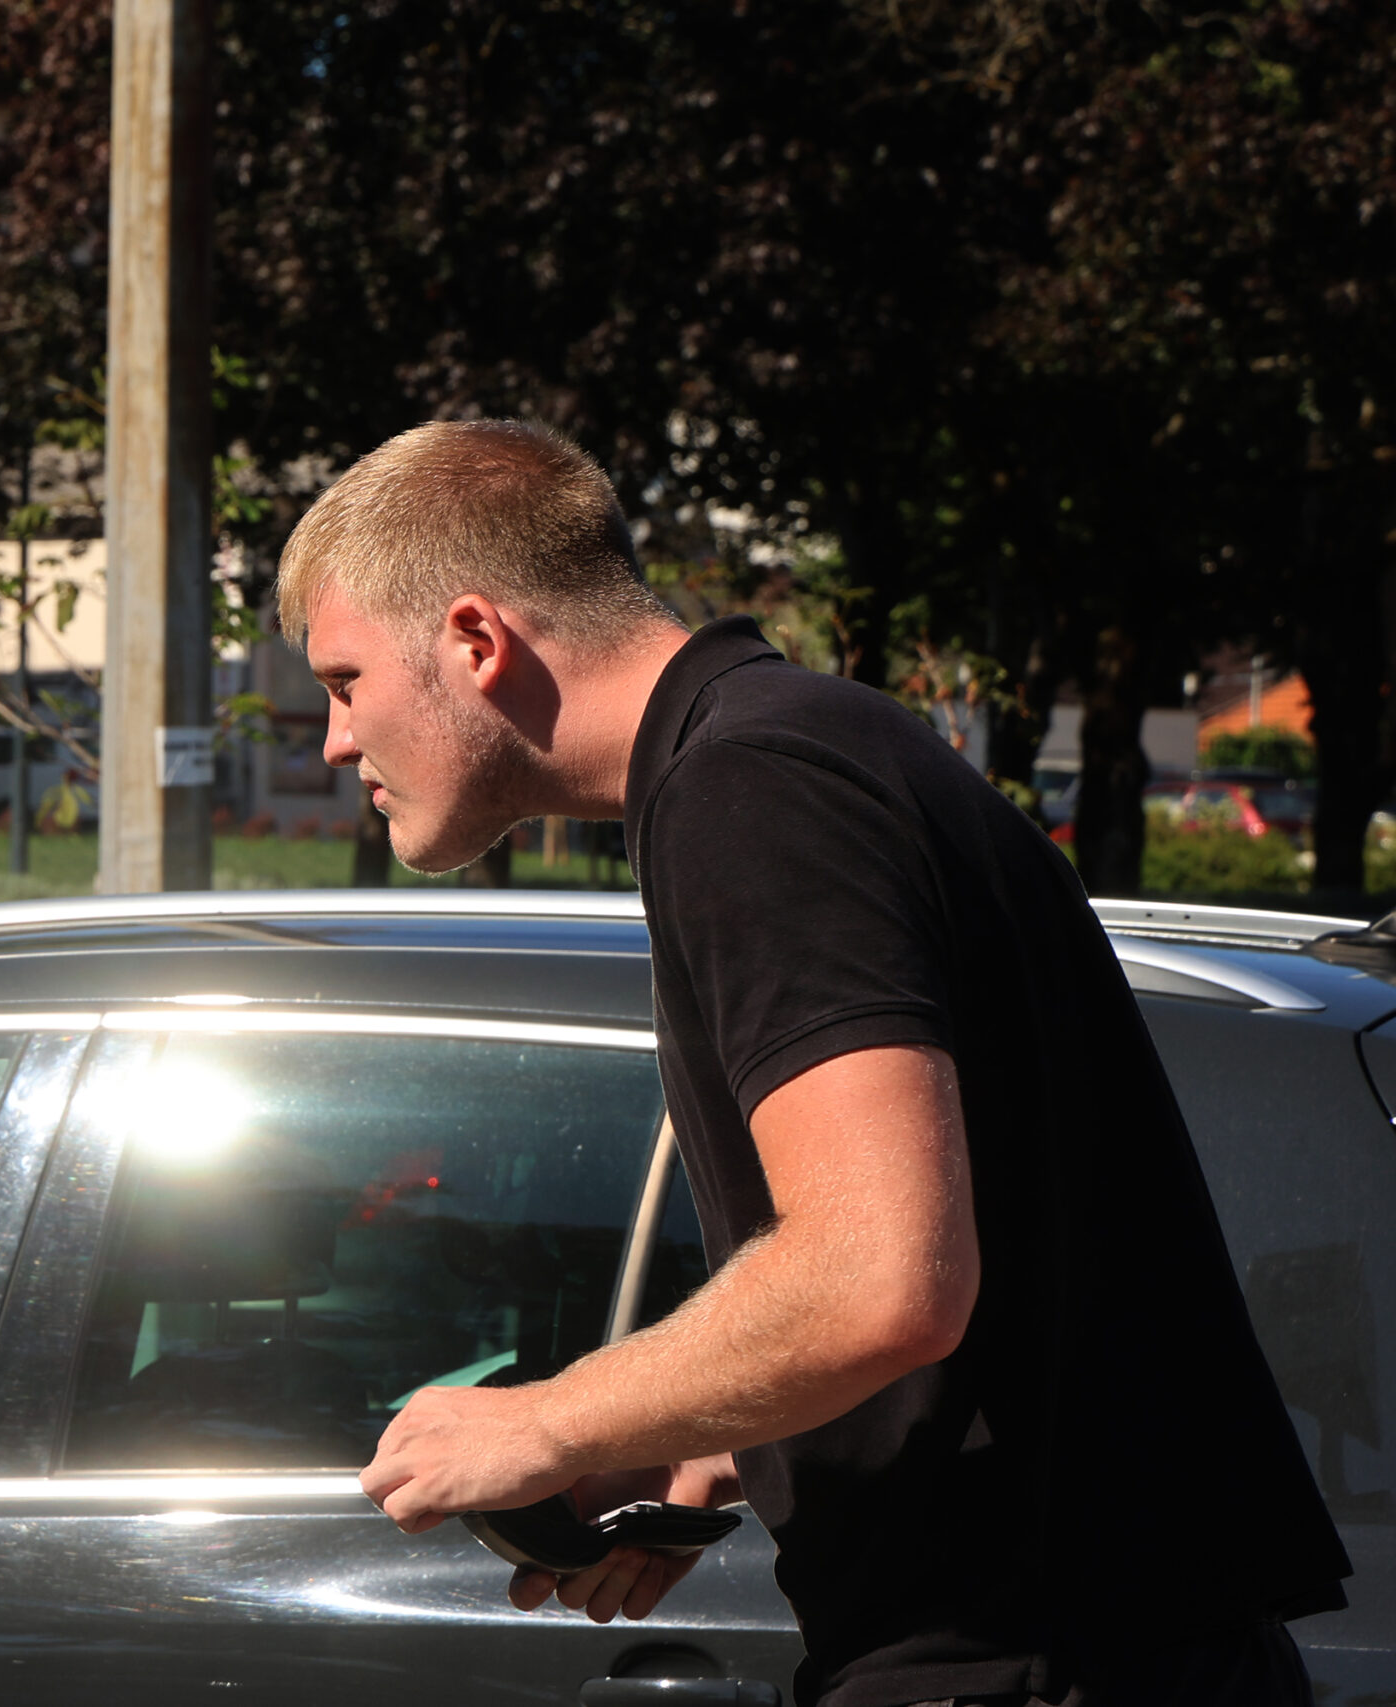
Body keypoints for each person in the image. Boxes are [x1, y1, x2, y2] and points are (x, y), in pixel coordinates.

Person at [278, 420, 1349, 1707]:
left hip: (1031, 1660)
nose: (334, 744)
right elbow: (993, 1270)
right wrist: (709, 1438)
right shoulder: (802, 745)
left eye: (343, 681)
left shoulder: (749, 791)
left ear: (475, 640)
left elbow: (879, 1279)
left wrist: (546, 1420)